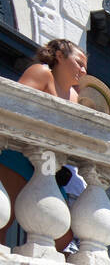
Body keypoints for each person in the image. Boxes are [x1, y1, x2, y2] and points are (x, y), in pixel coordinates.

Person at [2, 40, 89, 244]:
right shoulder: (41, 72)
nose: (83, 71)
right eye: (79, 63)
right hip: (18, 154)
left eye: (85, 66)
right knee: (5, 217)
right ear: (59, 55)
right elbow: (15, 104)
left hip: (49, 164)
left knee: (62, 234)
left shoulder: (75, 96)